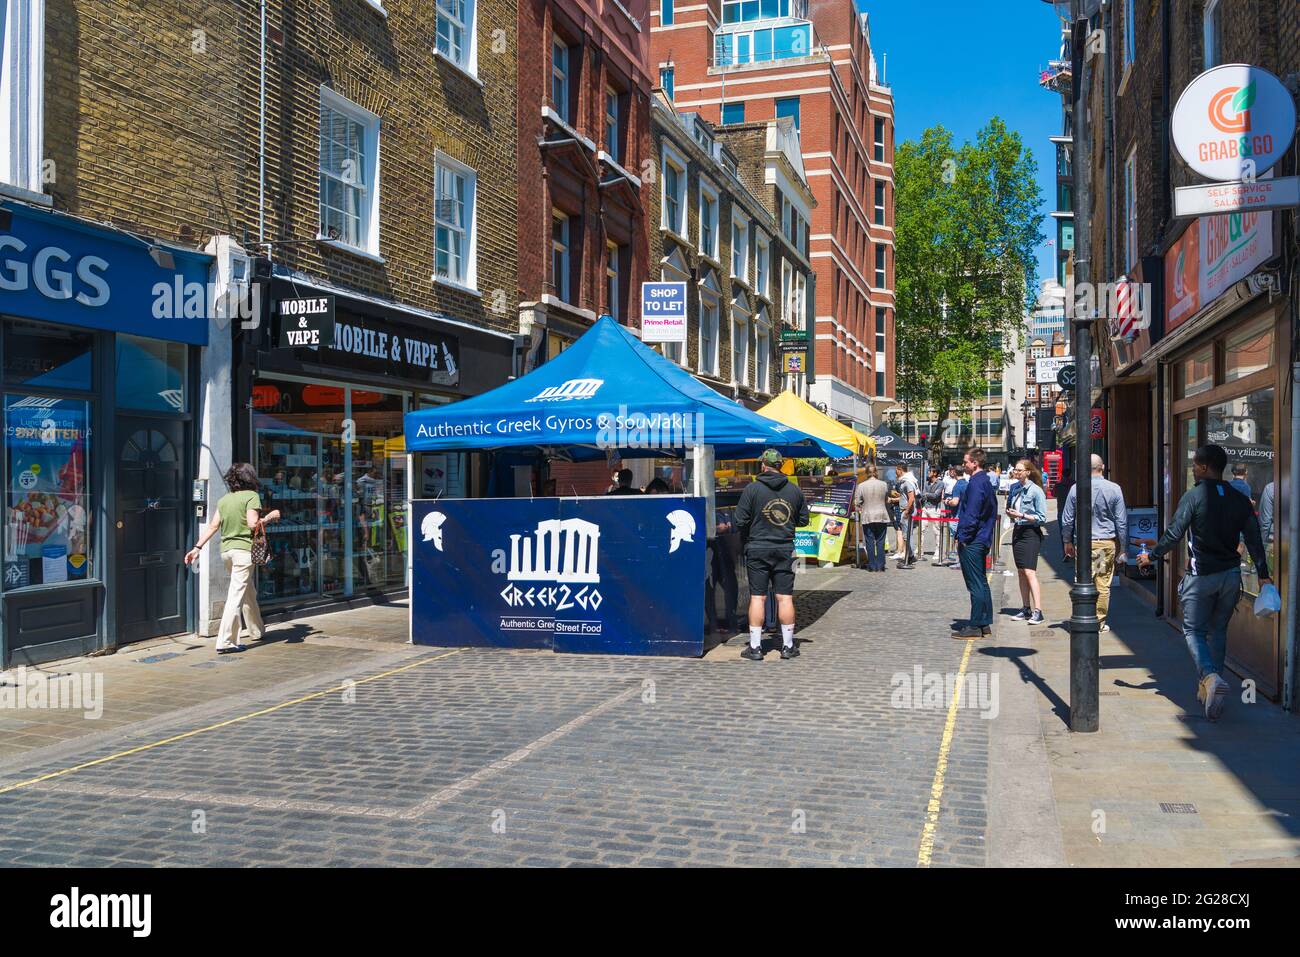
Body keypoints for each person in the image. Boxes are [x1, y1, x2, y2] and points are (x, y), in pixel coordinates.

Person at [1137, 444, 1272, 721]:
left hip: (1202, 576)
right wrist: (1262, 573)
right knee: (1218, 631)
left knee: (1193, 630)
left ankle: (1210, 678)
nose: (1195, 469)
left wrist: (1152, 556)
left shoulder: (1194, 496)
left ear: (1203, 467)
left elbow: (1174, 533)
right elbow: (1255, 538)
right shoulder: (1238, 499)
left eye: (1196, 465)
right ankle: (1210, 689)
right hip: (1232, 576)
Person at [185, 463, 281, 653]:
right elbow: (254, 524)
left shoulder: (224, 500)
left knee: (247, 591)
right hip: (244, 552)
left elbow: (212, 526)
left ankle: (256, 630)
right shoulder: (251, 496)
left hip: (226, 552)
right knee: (236, 595)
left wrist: (197, 547)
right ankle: (226, 641)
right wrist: (270, 517)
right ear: (250, 478)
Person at [734, 449, 809, 661]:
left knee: (758, 597)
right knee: (785, 597)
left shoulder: (752, 489)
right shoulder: (794, 491)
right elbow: (803, 520)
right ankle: (787, 646)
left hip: (757, 548)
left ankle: (756, 647)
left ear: (763, 465)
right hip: (785, 548)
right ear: (781, 465)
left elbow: (740, 520)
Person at [1060, 453, 1128, 634]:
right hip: (1104, 543)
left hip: (1083, 545)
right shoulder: (1114, 489)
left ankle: (1081, 616)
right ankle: (1098, 621)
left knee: (1082, 582)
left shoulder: (1076, 488)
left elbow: (1067, 519)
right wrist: (1124, 547)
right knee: (1101, 583)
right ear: (1103, 467)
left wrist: (1067, 541)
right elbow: (1121, 521)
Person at [952, 448, 997, 639]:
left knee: (975, 583)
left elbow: (971, 514)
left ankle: (976, 623)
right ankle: (984, 622)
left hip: (973, 540)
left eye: (966, 462)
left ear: (975, 463)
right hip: (982, 537)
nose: (964, 465)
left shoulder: (977, 484)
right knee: (981, 581)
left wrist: (963, 537)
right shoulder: (984, 481)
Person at [1006, 458, 1047, 623]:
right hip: (1018, 531)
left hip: (1031, 533)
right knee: (1021, 572)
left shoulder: (1036, 491)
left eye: (1019, 470)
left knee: (1030, 572)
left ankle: (1038, 611)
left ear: (1028, 472)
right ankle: (1026, 608)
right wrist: (1010, 513)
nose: (1016, 472)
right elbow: (1010, 507)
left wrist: (1022, 515)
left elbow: (1042, 517)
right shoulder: (1014, 488)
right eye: (1015, 470)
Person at [853, 465, 891, 572]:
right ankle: (880, 565)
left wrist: (860, 509)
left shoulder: (861, 486)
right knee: (880, 541)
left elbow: (857, 503)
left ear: (866, 473)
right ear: (876, 472)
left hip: (867, 515)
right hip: (881, 515)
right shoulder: (883, 484)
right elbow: (886, 499)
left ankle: (872, 565)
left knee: (869, 541)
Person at [936, 466, 967, 567]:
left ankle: (961, 561)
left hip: (957, 514)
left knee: (958, 538)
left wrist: (947, 501)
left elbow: (955, 502)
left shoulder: (958, 485)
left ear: (954, 472)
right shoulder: (967, 484)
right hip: (965, 514)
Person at [892, 462, 919, 568]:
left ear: (900, 470)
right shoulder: (905, 481)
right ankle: (909, 556)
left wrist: (907, 511)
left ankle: (910, 556)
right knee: (907, 535)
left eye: (896, 470)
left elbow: (911, 497)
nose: (895, 473)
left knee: (907, 535)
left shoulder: (907, 482)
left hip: (907, 511)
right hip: (906, 510)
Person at [920, 467, 945, 559]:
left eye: (930, 471)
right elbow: (922, 494)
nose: (928, 473)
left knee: (936, 531)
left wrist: (927, 494)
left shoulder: (940, 483)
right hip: (925, 508)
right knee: (921, 530)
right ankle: (920, 549)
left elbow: (936, 496)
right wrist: (926, 494)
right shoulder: (926, 483)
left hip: (935, 509)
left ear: (934, 473)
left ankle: (938, 550)